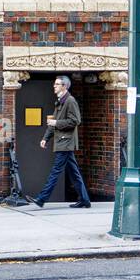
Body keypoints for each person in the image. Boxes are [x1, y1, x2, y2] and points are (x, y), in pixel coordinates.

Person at [34, 75, 92, 209]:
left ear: (64, 86)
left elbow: (75, 121)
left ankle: (42, 198)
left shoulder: (70, 101)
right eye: (54, 84)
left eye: (57, 84)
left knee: (55, 171)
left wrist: (56, 123)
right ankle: (84, 200)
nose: (54, 86)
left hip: (66, 142)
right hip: (63, 142)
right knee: (74, 173)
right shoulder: (61, 101)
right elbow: (53, 122)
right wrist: (45, 138)